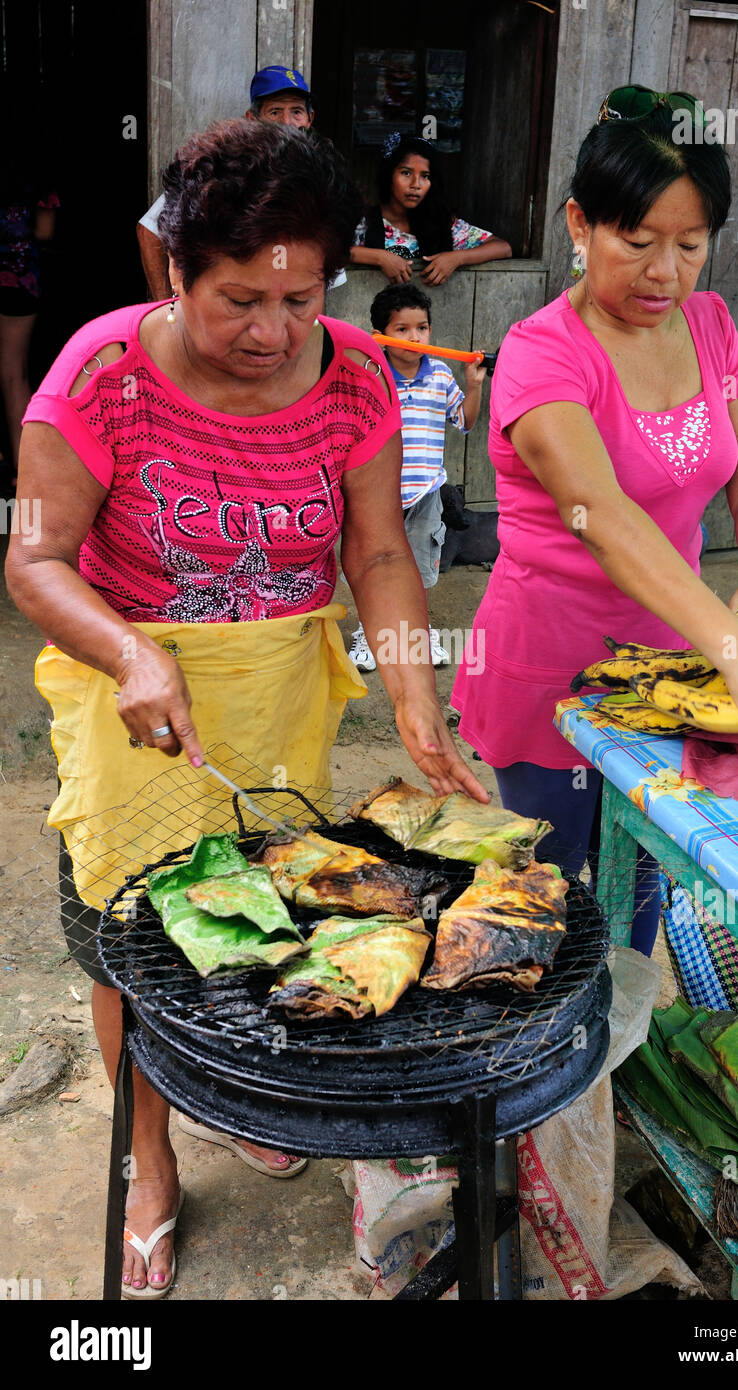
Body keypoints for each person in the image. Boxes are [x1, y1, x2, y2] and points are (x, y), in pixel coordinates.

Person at [6, 118, 487, 1299]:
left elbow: (377, 552)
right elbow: (36, 559)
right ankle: (152, 1159)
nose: (273, 332)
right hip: (137, 699)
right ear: (174, 270)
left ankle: (239, 1091)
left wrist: (415, 695)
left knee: (260, 904)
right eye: (238, 299)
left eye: (302, 294)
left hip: (276, 690)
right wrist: (131, 653)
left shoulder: (356, 372)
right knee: (128, 942)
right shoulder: (101, 374)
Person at [450, 86, 738, 954]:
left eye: (690, 246)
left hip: (672, 665)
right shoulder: (544, 354)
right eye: (637, 240)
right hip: (552, 674)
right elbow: (603, 515)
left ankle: (618, 1065)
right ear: (579, 224)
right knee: (549, 904)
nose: (665, 272)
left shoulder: (710, 322)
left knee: (643, 888)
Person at [349, 283, 487, 671]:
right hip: (378, 492)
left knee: (420, 569)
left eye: (422, 327)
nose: (415, 337)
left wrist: (473, 385)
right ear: (381, 335)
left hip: (425, 491)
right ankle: (369, 632)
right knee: (375, 564)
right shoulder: (370, 375)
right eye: (403, 329)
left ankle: (418, 632)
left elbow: (465, 422)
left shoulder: (441, 375)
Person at [135, 67, 345, 300]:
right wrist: (164, 305)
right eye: (274, 112)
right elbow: (149, 230)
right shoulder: (226, 166)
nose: (287, 123)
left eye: (296, 111)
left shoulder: (319, 180)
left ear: (309, 119)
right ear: (252, 119)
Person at [351, 134, 512, 285]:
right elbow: (336, 250)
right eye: (406, 173)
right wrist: (380, 258)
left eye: (425, 176)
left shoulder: (441, 222)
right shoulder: (365, 221)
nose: (416, 184)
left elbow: (503, 248)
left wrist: (456, 258)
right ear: (388, 176)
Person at [0, 119, 58, 485]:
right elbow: (45, 232)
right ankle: (24, 467)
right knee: (14, 372)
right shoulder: (37, 178)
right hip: (18, 280)